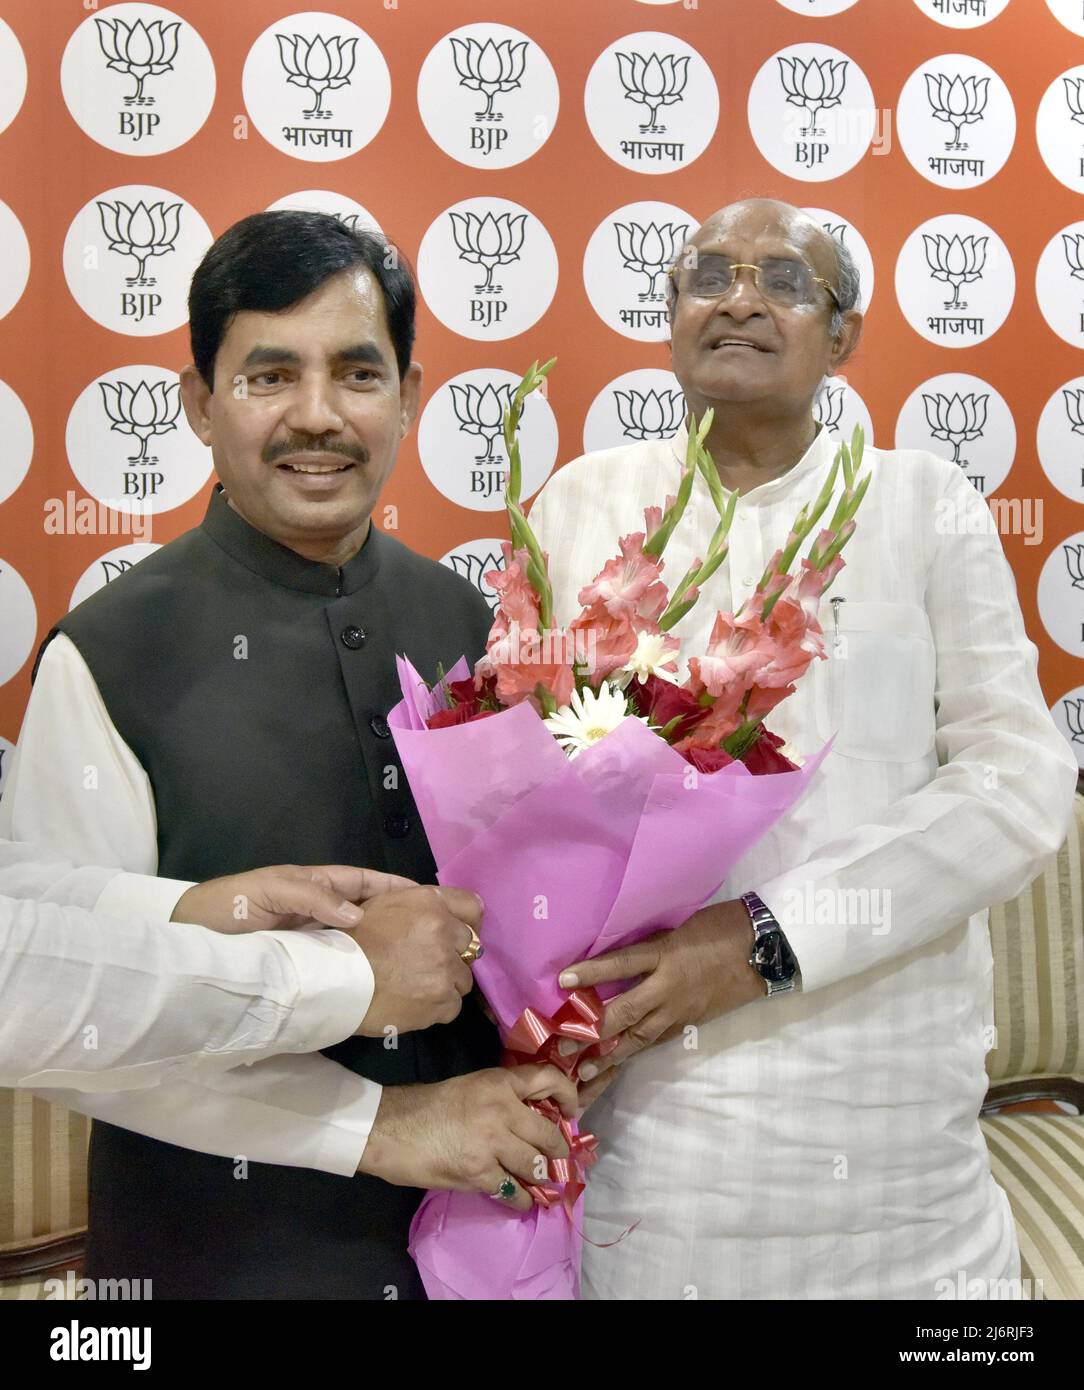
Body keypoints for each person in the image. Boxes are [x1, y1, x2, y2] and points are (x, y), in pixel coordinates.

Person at [0, 211, 574, 1298]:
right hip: (224, 1250)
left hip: (491, 1234)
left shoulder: (476, 619)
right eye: (270, 376)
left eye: (358, 373)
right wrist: (382, 1124)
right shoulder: (109, 654)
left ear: (409, 395)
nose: (319, 416)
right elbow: (72, 1019)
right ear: (198, 404)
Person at [528, 197, 1079, 1300]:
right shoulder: (582, 504)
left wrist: (768, 937)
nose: (737, 297)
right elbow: (522, 777)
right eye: (708, 275)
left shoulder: (928, 506)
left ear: (841, 337)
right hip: (658, 1115)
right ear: (669, 316)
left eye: (783, 280)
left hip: (885, 1114)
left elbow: (1018, 783)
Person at [0, 849, 470, 1092]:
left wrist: (187, 910)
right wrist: (347, 971)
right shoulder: (92, 669)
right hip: (238, 1174)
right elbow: (29, 994)